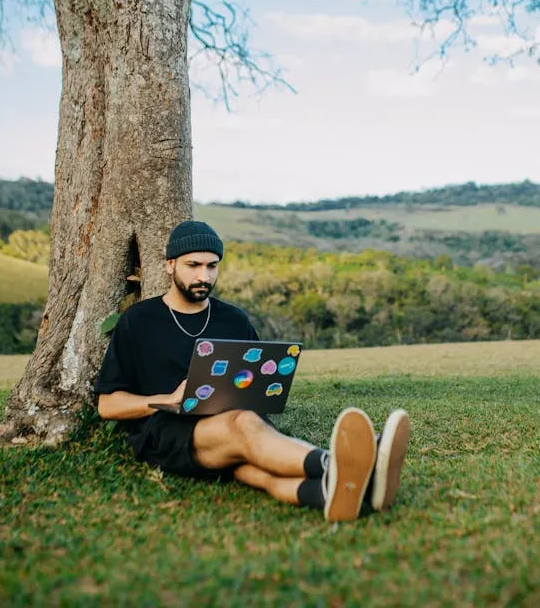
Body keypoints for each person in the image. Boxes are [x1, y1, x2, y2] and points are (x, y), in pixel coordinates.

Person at [95, 221, 411, 522]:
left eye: (212, 266)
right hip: (168, 432)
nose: (204, 275)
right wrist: (167, 398)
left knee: (257, 470)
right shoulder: (139, 321)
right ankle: (340, 462)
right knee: (243, 424)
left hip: (234, 426)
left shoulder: (233, 319)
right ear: (170, 265)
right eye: (194, 265)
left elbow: (257, 381)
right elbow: (107, 404)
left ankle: (331, 491)